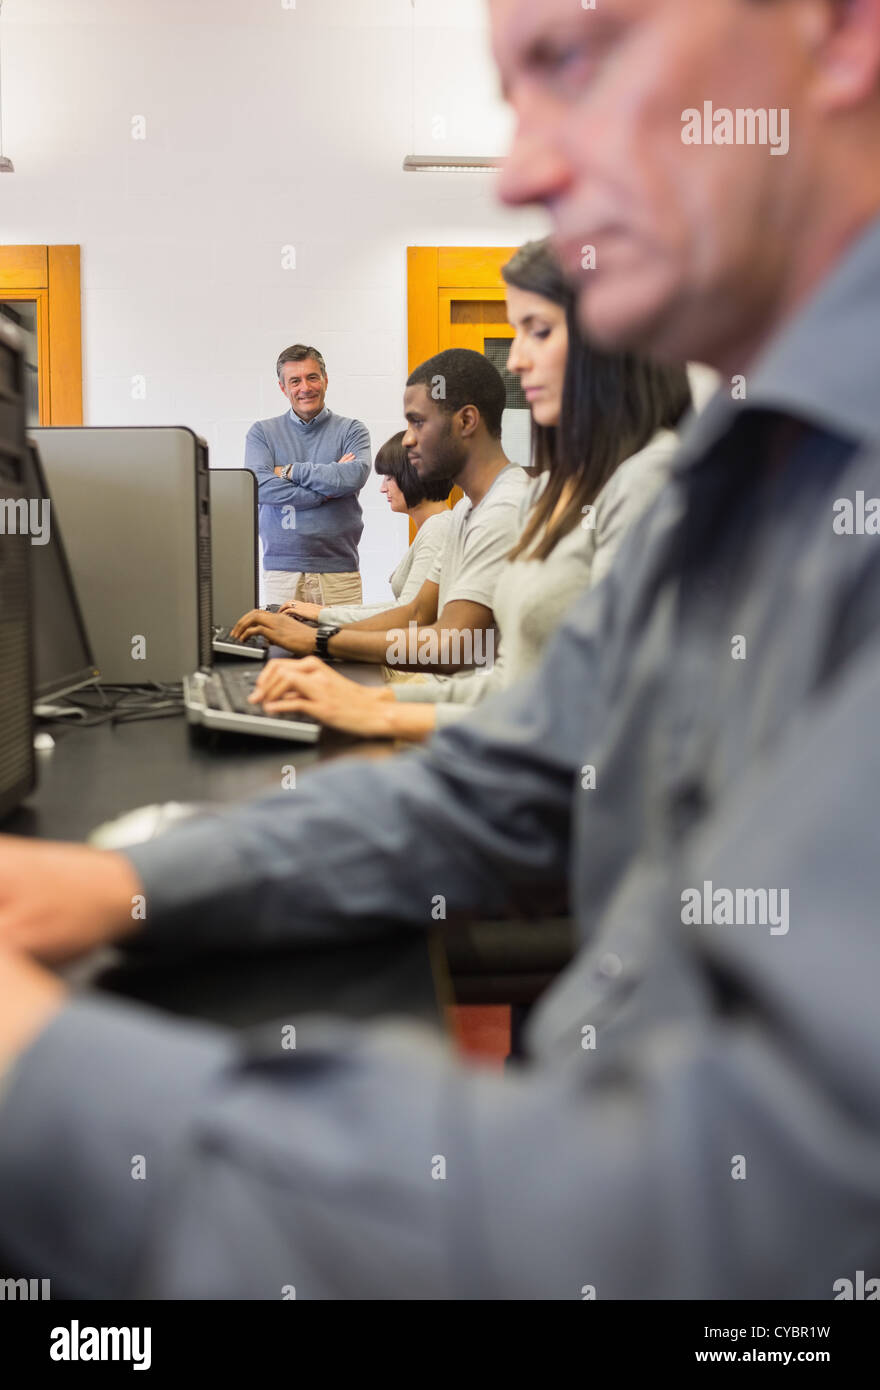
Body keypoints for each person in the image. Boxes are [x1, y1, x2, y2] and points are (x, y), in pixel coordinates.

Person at [1, 0, 880, 1299]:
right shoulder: (734, 479)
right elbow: (490, 784)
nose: (521, 165)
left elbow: (743, 1214)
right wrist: (121, 884)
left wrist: (47, 1078)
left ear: (840, 32)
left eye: (572, 61)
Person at [251, 239, 692, 740]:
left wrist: (339, 658)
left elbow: (603, 710)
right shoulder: (550, 490)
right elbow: (507, 683)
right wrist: (370, 699)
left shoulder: (649, 479)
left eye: (539, 332)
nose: (518, 360)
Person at [230, 349, 529, 678]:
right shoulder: (463, 514)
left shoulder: (503, 511)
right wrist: (321, 627)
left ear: (466, 421)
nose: (409, 439)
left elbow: (451, 650)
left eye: (418, 422)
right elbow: (413, 611)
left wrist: (320, 639)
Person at [278, 431, 453, 627]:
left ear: (413, 474)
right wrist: (324, 611)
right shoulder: (435, 526)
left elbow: (410, 612)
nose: (382, 488)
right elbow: (399, 607)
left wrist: (322, 614)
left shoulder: (438, 529)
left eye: (389, 477)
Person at [245, 344, 372, 608]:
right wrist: (326, 490)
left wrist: (290, 471)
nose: (305, 387)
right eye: (295, 381)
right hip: (282, 572)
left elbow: (353, 476)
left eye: (312, 377)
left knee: (343, 649)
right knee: (283, 649)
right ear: (283, 388)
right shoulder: (262, 433)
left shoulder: (352, 430)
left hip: (340, 571)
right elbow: (259, 487)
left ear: (325, 380)